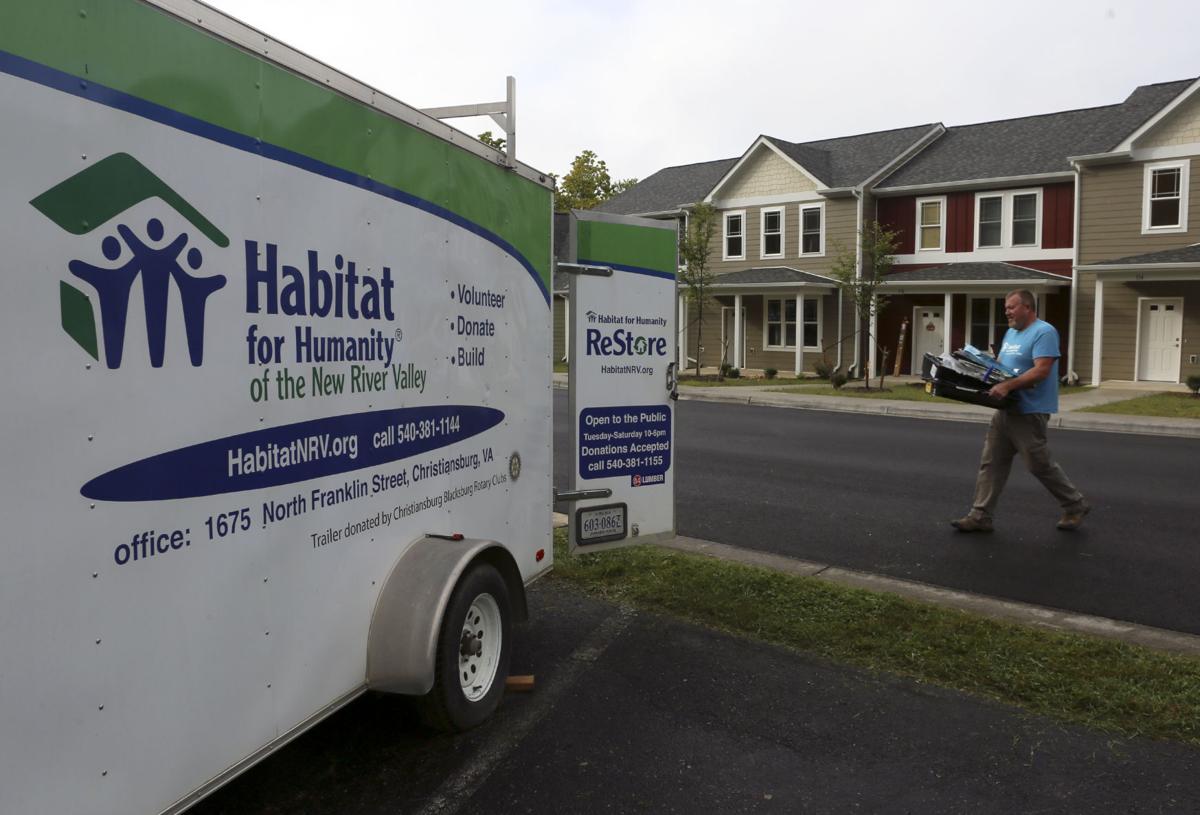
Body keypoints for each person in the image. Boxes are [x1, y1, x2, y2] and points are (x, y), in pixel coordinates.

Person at [951, 290, 1089, 533]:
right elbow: (1003, 366)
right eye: (1006, 307)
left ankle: (1075, 504)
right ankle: (980, 516)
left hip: (1030, 410)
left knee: (1038, 464)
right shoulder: (1011, 333)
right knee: (991, 462)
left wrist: (1007, 386)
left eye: (1011, 307)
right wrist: (977, 365)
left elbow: (1041, 370)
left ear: (1028, 307)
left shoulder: (1044, 332)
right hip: (1006, 408)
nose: (1007, 312)